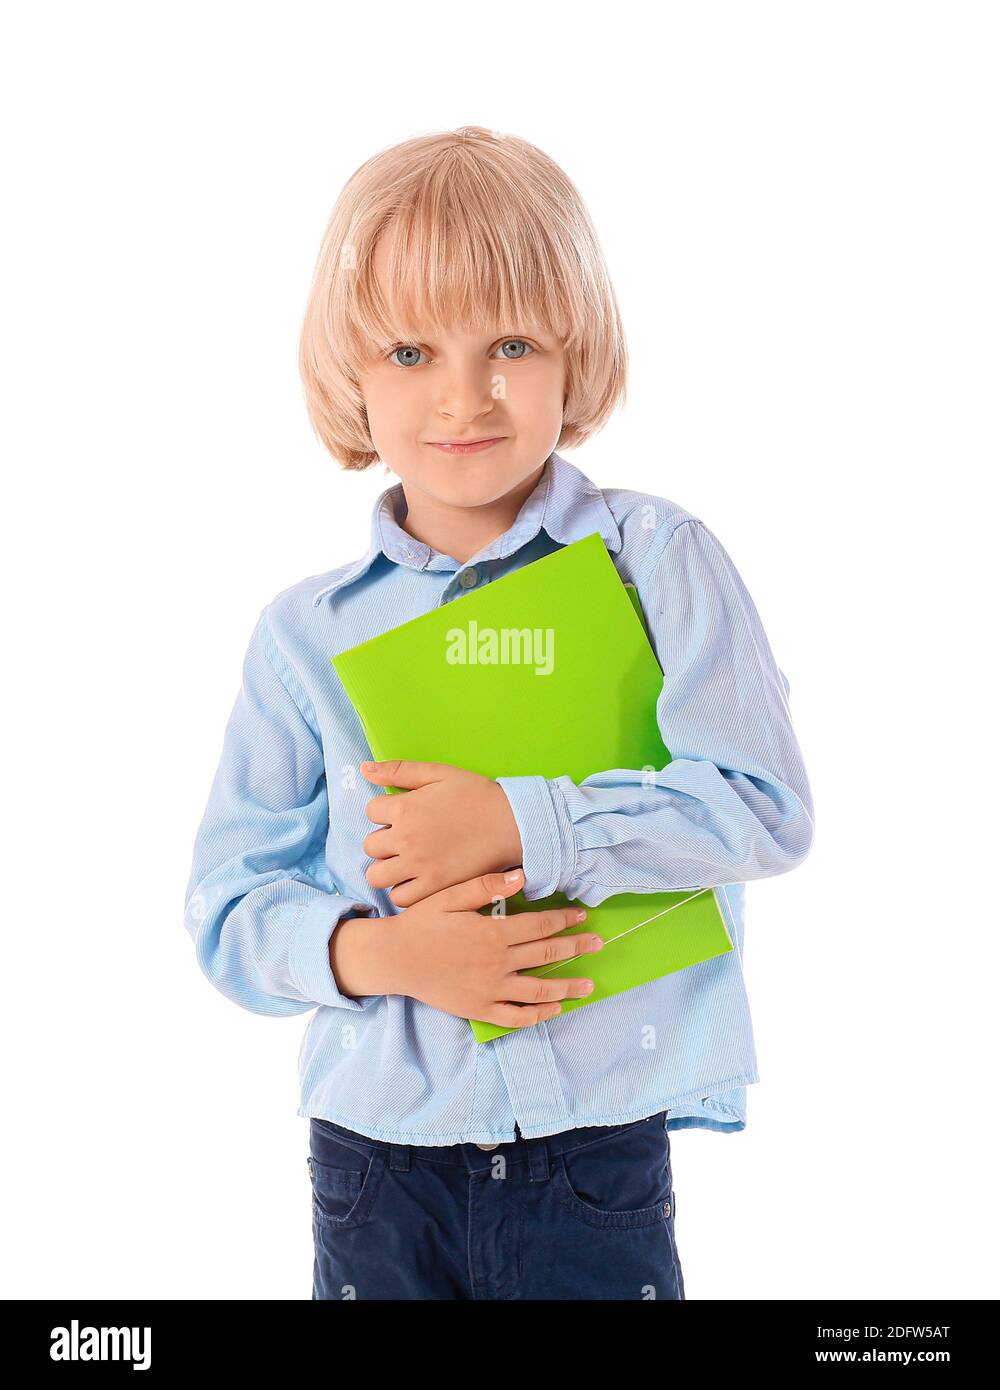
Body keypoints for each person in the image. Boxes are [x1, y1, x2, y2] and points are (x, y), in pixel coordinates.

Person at [184, 125, 815, 1300]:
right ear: (351, 376)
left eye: (510, 343)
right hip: (376, 1161)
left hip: (594, 1149)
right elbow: (229, 910)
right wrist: (385, 952)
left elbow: (763, 807)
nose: (464, 396)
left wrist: (525, 825)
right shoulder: (303, 636)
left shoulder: (655, 562)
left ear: (574, 351)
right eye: (412, 350)